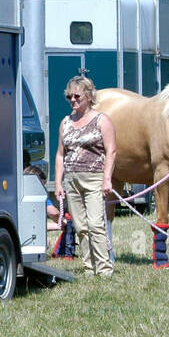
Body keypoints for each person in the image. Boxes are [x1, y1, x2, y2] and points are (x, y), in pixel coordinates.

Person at [54, 75, 117, 277]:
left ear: (89, 96)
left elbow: (111, 151)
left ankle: (104, 268)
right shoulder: (66, 122)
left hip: (94, 178)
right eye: (69, 97)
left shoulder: (102, 120)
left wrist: (107, 179)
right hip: (72, 180)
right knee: (80, 226)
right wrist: (58, 182)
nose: (72, 100)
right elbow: (60, 154)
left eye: (77, 96)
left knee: (95, 224)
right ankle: (89, 268)